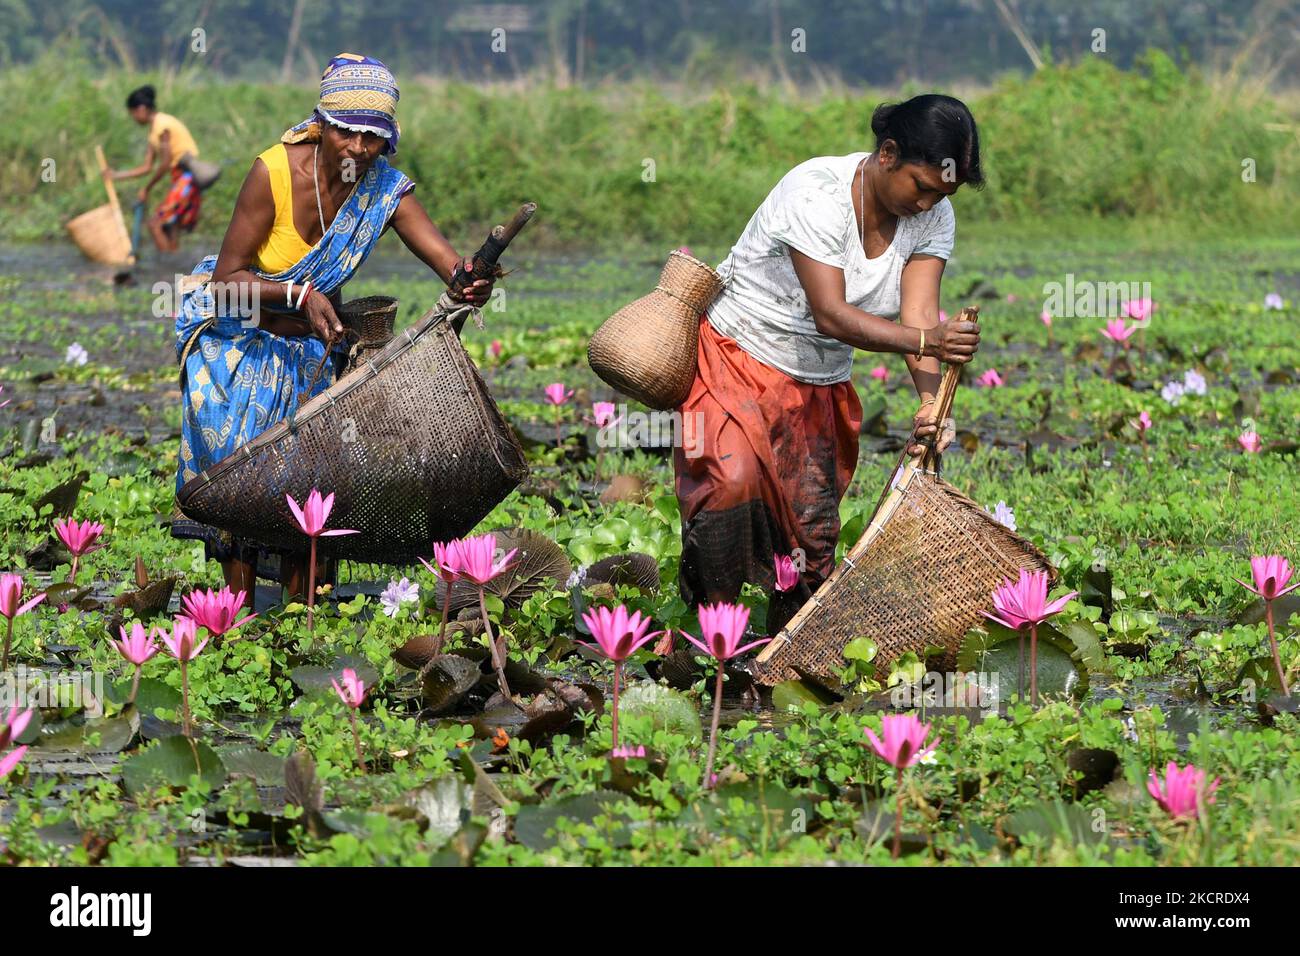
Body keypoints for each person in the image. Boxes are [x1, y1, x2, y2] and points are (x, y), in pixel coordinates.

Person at [170, 53, 494, 600]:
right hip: (238, 347)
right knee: (241, 501)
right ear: (321, 123)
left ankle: (304, 625)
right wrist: (298, 292)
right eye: (348, 134)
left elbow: (449, 264)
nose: (359, 150)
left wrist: (471, 279)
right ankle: (236, 622)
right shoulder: (271, 171)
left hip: (311, 356)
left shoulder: (384, 190)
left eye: (374, 138)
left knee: (309, 502)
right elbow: (226, 280)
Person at [674, 93, 984, 637]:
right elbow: (832, 315)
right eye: (923, 187)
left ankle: (779, 660)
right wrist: (931, 340)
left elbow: (918, 314)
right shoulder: (816, 193)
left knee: (811, 541)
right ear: (887, 153)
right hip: (736, 356)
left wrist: (933, 405)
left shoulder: (934, 218)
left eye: (943, 194)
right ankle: (709, 642)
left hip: (818, 383)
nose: (929, 204)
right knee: (730, 486)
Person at [106, 85, 204, 252]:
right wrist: (116, 175)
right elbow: (147, 167)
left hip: (187, 179)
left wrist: (147, 188)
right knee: (171, 228)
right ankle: (174, 268)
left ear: (142, 109)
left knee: (155, 224)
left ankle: (165, 266)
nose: (134, 118)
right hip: (180, 179)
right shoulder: (154, 130)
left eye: (133, 114)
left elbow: (165, 163)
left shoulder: (162, 125)